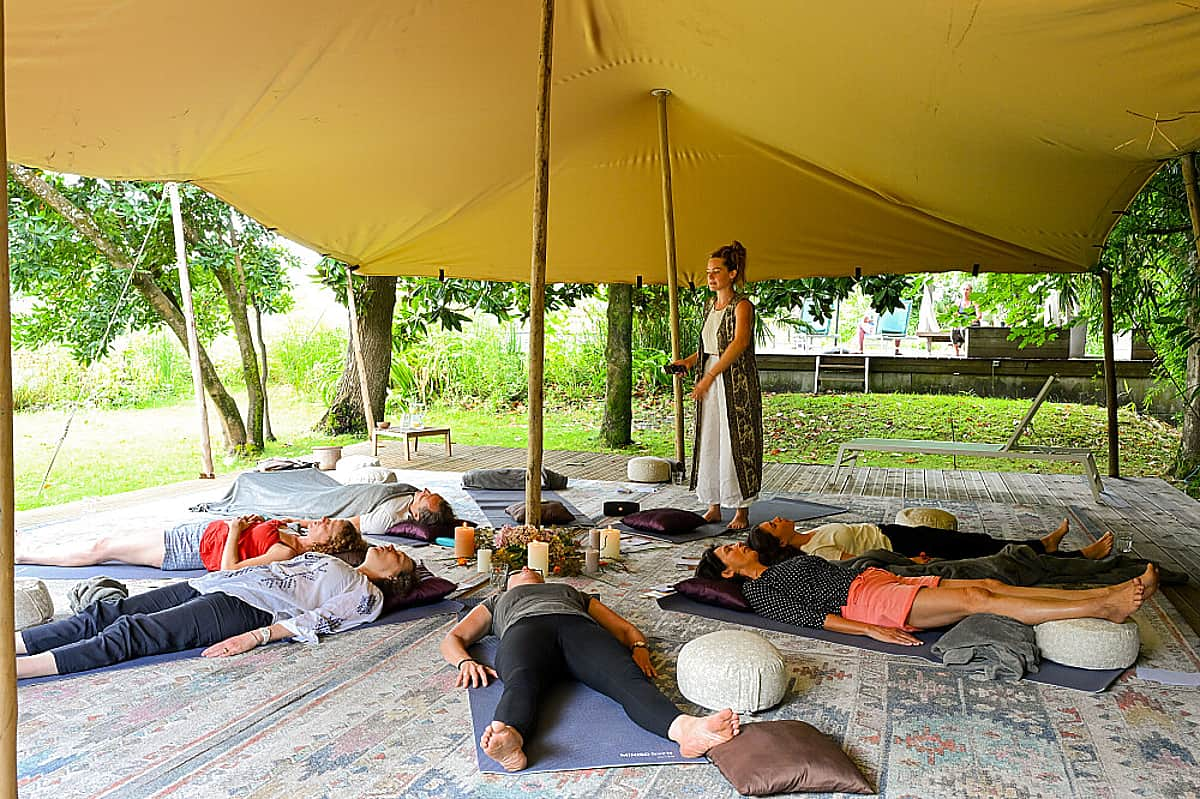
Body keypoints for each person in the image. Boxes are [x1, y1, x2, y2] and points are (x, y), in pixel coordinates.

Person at [440, 567, 740, 772]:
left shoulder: (568, 590)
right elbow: (453, 638)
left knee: (627, 679)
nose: (527, 570)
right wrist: (464, 661)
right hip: (525, 630)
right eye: (518, 571)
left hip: (577, 629)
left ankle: (686, 730)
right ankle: (511, 739)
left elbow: (622, 628)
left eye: (533, 569)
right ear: (508, 583)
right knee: (522, 682)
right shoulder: (497, 600)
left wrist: (639, 648)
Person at [15, 544, 418, 678]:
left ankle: (15, 670)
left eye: (399, 557)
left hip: (247, 608)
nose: (392, 549)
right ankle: (14, 644)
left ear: (394, 579)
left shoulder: (366, 594)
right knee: (108, 612)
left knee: (133, 632)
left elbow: (319, 620)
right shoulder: (345, 564)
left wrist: (257, 636)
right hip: (220, 583)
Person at [696, 542, 1157, 645]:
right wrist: (873, 631)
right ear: (729, 573)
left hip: (877, 582)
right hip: (870, 605)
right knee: (979, 601)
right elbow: (813, 620)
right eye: (727, 551)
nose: (736, 544)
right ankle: (1103, 606)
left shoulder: (778, 562)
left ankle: (1108, 586)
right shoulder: (760, 591)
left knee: (989, 584)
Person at [668, 241, 763, 531]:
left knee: (735, 441)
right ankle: (713, 505)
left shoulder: (742, 305)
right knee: (710, 438)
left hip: (734, 381)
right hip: (711, 371)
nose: (710, 277)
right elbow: (712, 347)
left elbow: (738, 344)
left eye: (716, 271)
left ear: (732, 273)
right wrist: (689, 362)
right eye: (708, 271)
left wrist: (710, 378)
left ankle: (741, 509)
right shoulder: (712, 305)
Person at [14, 514, 366, 572]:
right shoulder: (294, 533)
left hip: (192, 551)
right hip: (198, 533)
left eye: (328, 525)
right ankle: (35, 549)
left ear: (327, 546)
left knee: (103, 548)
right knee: (108, 541)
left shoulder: (285, 551)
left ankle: (27, 555)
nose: (321, 520)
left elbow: (230, 568)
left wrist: (234, 529)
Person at [747, 516, 1114, 565]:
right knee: (985, 554)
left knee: (977, 540)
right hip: (901, 548)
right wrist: (910, 565)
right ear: (779, 543)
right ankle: (1077, 556)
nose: (778, 519)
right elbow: (862, 564)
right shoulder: (817, 549)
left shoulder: (813, 531)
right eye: (773, 526)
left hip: (895, 532)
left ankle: (1043, 544)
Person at [282, 487, 453, 536]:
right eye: (429, 493)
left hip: (347, 499)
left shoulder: (385, 519)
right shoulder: (412, 498)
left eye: (425, 496)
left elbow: (345, 524)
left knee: (298, 499)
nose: (424, 490)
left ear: (416, 515)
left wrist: (301, 522)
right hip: (363, 490)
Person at [950, 284, 982, 356]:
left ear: (971, 291)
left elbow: (979, 316)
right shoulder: (958, 303)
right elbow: (955, 315)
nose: (965, 291)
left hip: (973, 323)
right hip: (961, 322)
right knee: (953, 329)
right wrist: (959, 320)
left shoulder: (974, 302)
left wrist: (971, 321)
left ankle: (967, 348)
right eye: (964, 289)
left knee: (964, 329)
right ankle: (956, 349)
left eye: (967, 289)